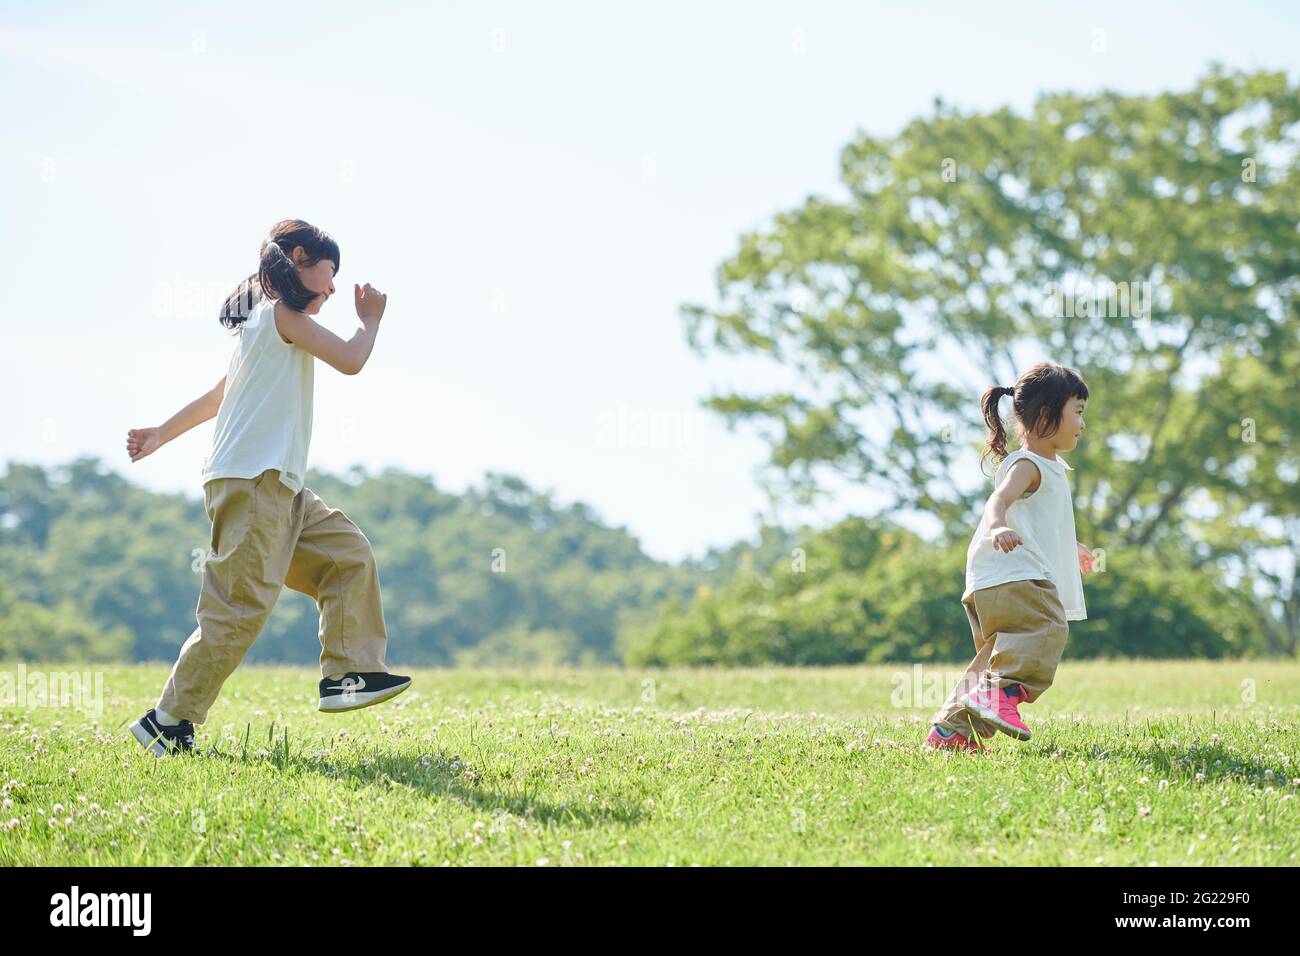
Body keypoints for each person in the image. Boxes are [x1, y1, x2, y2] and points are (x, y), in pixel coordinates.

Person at [125, 219, 410, 756]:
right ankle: (167, 723)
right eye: (331, 273)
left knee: (346, 555)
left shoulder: (260, 327)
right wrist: (370, 321)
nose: (332, 287)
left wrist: (161, 433)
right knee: (237, 608)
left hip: (279, 486)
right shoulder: (282, 317)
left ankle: (348, 677)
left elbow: (218, 398)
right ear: (301, 258)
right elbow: (351, 359)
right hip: (256, 482)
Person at [924, 361, 1096, 751]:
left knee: (995, 655)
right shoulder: (1028, 464)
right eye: (1078, 413)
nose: (1082, 424)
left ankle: (951, 732)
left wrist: (1070, 545)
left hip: (993, 578)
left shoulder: (1050, 467)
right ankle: (1000, 694)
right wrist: (999, 525)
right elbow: (997, 501)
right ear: (1045, 415)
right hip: (1013, 573)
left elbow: (1040, 523)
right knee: (1048, 628)